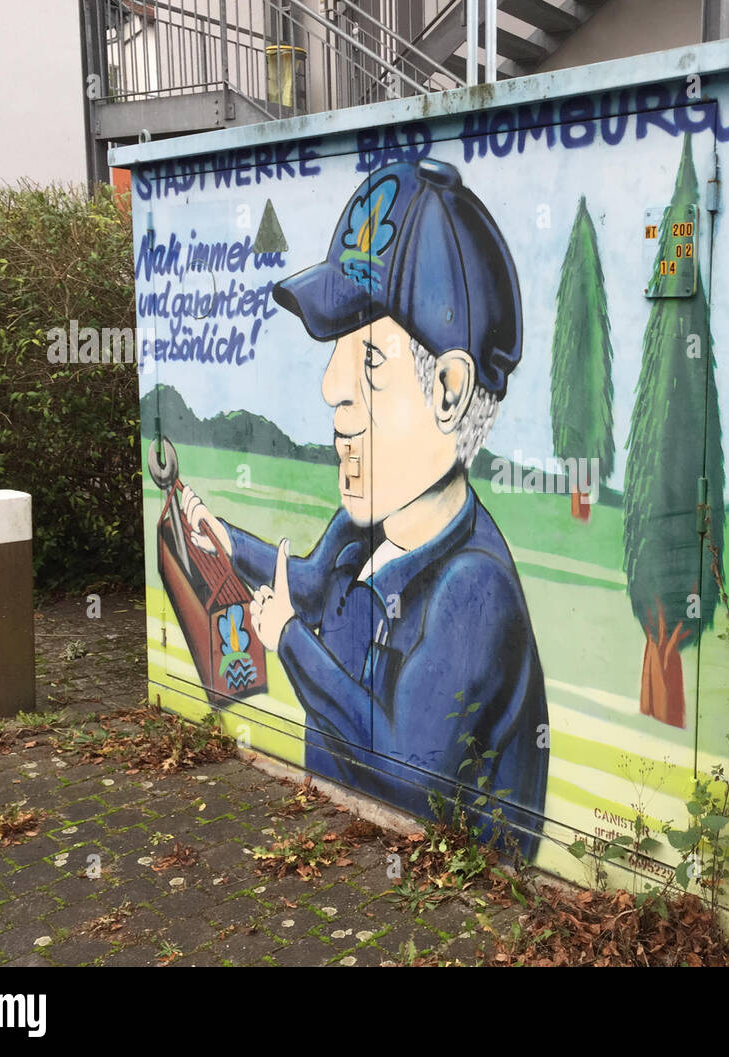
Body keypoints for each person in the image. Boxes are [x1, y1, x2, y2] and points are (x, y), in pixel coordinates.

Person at [179, 158, 549, 859]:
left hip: (457, 904)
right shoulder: (362, 529)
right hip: (355, 848)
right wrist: (220, 538)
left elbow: (411, 779)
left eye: (368, 361)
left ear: (448, 389)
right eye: (338, 356)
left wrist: (287, 639)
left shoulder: (474, 589)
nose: (331, 387)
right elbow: (314, 585)